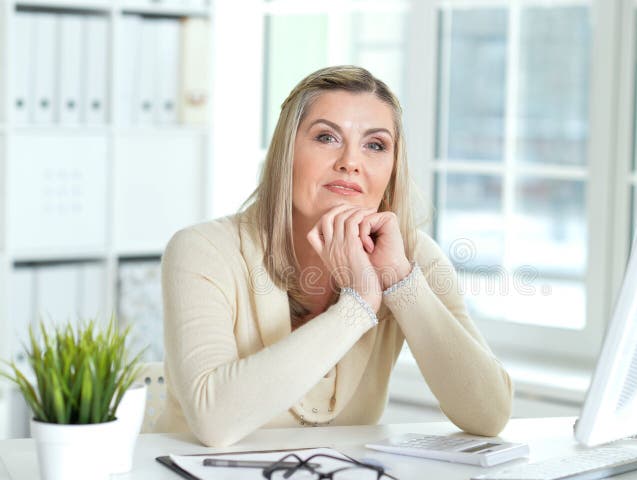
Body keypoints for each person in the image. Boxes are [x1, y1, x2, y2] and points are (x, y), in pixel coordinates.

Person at [157, 65, 513, 447]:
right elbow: (215, 422)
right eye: (326, 137)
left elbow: (489, 415)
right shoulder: (203, 251)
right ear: (286, 154)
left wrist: (399, 281)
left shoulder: (411, 257)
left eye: (375, 145)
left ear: (392, 170)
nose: (350, 162)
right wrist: (358, 305)